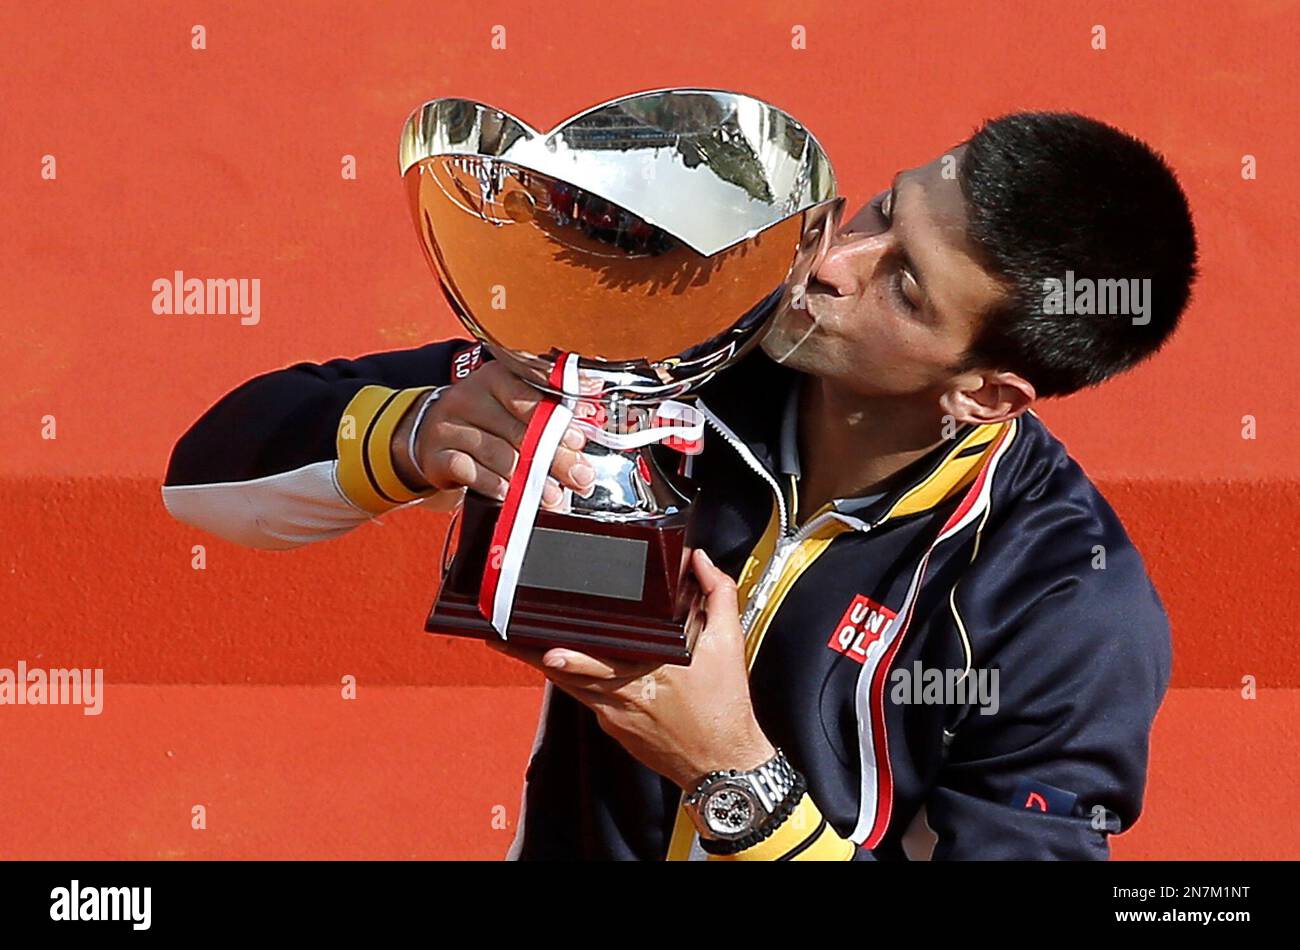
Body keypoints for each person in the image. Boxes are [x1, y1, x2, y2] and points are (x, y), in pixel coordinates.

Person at [162, 111, 1198, 861]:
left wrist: (736, 776)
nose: (835, 257)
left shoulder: (1064, 607)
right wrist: (420, 435)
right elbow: (201, 479)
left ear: (984, 393)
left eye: (904, 283)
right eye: (884, 206)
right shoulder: (675, 358)